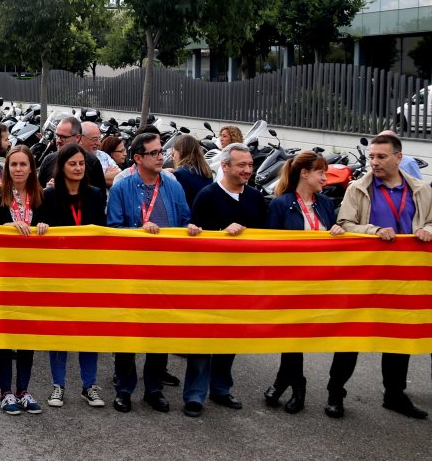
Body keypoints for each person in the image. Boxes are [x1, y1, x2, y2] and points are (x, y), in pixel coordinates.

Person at [329, 132, 432, 420]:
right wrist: (372, 230)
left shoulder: (421, 190)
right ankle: (335, 393)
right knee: (351, 337)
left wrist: (428, 231)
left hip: (403, 278)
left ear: (399, 158)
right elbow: (344, 224)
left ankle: (395, 395)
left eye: (381, 156)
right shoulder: (358, 189)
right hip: (366, 276)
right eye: (372, 156)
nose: (374, 162)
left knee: (398, 338)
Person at [106, 132, 200, 414]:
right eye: (154, 153)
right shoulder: (122, 187)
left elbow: (184, 219)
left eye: (161, 151)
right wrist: (137, 231)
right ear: (138, 158)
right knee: (129, 332)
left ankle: (154, 389)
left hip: (165, 271)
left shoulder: (172, 185)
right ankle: (124, 389)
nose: (161, 156)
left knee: (159, 332)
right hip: (134, 271)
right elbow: (113, 229)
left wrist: (191, 229)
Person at [181, 143, 267, 418]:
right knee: (202, 340)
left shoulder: (255, 198)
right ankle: (195, 395)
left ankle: (221, 389)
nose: (247, 170)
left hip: (242, 282)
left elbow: (266, 239)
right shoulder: (206, 196)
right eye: (241, 165)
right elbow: (195, 239)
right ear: (225, 166)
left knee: (230, 338)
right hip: (209, 282)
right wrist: (219, 233)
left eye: (250, 165)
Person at [263, 151, 346, 414]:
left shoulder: (324, 203)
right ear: (305, 174)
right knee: (293, 335)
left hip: (322, 283)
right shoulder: (281, 204)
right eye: (321, 172)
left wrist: (337, 231)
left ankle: (281, 380)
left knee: (312, 335)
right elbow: (270, 246)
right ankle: (298, 387)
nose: (325, 177)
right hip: (291, 283)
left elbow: (333, 239)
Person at [33, 143, 107, 410]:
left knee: (88, 331)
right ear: (61, 167)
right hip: (59, 276)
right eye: (72, 164)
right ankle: (58, 385)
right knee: (60, 332)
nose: (78, 168)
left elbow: (102, 231)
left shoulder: (97, 194)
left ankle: (90, 386)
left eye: (81, 164)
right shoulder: (48, 196)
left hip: (88, 275)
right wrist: (41, 227)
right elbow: (36, 230)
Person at [0, 145, 45, 416]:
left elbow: (54, 228)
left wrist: (45, 228)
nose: (18, 169)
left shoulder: (41, 196)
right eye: (13, 165)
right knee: (5, 334)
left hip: (32, 276)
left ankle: (24, 390)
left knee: (27, 335)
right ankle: (6, 392)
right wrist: (5, 227)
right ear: (7, 168)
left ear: (31, 168)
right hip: (3, 274)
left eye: (23, 165)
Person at [37, 116, 107, 195]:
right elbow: (37, 194)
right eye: (57, 136)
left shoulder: (92, 162)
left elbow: (100, 198)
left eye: (64, 137)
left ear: (77, 137)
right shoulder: (49, 160)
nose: (59, 141)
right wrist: (48, 192)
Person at [170, 134, 213, 207]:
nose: (173, 158)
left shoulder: (179, 174)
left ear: (181, 152)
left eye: (173, 154)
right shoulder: (206, 170)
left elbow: (177, 202)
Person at [81, 122, 120, 187]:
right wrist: (105, 177)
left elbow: (119, 179)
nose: (99, 143)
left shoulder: (103, 156)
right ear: (81, 139)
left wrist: (94, 179)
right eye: (95, 139)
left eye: (99, 139)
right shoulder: (73, 157)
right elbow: (82, 183)